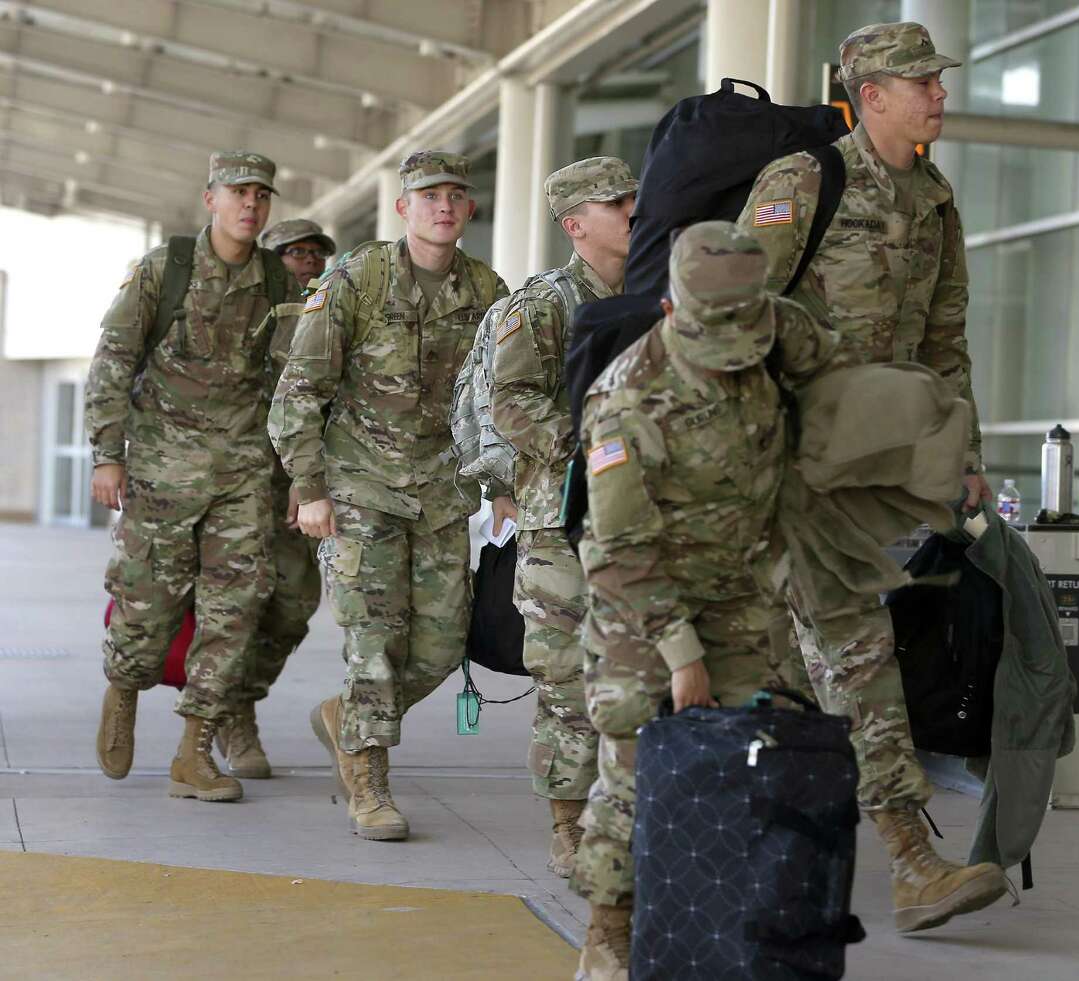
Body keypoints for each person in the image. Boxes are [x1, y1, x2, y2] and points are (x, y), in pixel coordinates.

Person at [738, 21, 1006, 931]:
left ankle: (749, 838)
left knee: (796, 663)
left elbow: (944, 339)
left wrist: (961, 458)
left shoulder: (933, 194)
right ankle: (911, 861)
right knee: (855, 650)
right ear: (872, 93)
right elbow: (733, 311)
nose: (939, 93)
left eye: (939, 79)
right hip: (795, 462)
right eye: (921, 81)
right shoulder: (806, 181)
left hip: (874, 465)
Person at [570, 222, 837, 980]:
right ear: (671, 307)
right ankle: (607, 929)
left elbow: (837, 374)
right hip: (643, 598)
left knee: (772, 744)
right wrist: (681, 654)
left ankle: (733, 919)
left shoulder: (772, 333)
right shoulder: (626, 401)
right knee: (635, 759)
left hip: (742, 587)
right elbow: (618, 550)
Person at [269, 151, 508, 841]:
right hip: (358, 487)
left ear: (468, 210)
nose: (442, 206)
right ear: (403, 208)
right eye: (428, 195)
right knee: (374, 642)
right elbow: (300, 388)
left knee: (440, 644)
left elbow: (497, 400)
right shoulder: (358, 277)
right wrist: (308, 487)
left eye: (456, 196)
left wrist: (501, 486)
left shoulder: (488, 290)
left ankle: (349, 719)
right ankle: (369, 783)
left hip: (440, 491)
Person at [88, 150, 298, 803]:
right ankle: (124, 687)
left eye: (262, 195)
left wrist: (298, 475)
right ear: (210, 198)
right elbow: (114, 360)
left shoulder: (275, 280)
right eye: (239, 192)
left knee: (234, 612)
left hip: (242, 472)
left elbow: (296, 377)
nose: (251, 205)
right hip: (161, 469)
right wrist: (106, 451)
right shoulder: (165, 269)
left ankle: (193, 751)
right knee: (147, 610)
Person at [489, 156, 638, 879]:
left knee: (634, 678)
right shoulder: (545, 301)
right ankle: (568, 827)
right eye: (617, 202)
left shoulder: (658, 292)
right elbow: (511, 400)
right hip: (563, 522)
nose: (633, 210)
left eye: (635, 197)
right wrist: (589, 439)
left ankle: (629, 818)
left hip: (640, 520)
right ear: (576, 224)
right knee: (567, 683)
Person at [213, 219, 338, 779]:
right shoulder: (240, 317)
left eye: (315, 254)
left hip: (297, 488)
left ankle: (241, 698)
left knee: (292, 607)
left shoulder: (334, 316)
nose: (306, 262)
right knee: (233, 607)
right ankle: (223, 717)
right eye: (293, 253)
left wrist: (308, 482)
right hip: (231, 486)